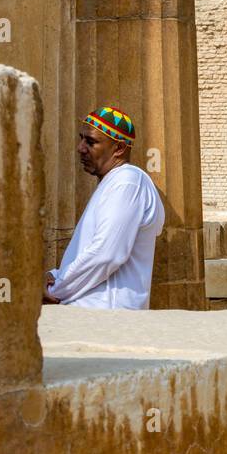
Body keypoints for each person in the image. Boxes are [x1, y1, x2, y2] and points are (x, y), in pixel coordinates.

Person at [42, 106, 164, 309]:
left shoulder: (128, 181)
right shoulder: (115, 182)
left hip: (105, 315)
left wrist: (55, 290)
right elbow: (90, 250)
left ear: (119, 149)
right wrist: (53, 275)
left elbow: (106, 255)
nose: (80, 148)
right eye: (81, 139)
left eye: (91, 142)